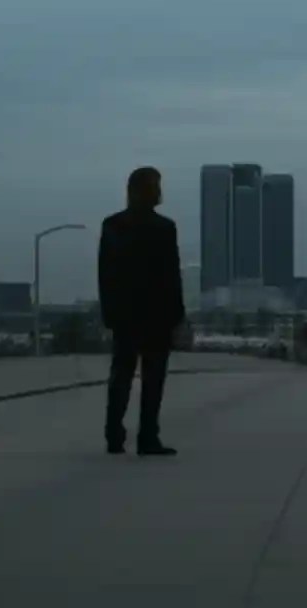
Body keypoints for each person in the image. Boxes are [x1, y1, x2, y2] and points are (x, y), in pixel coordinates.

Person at [99, 166, 185, 456]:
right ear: (146, 191)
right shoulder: (165, 228)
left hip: (125, 316)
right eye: (156, 186)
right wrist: (177, 316)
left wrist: (109, 313)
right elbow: (172, 277)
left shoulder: (112, 225)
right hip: (156, 316)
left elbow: (105, 274)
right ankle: (148, 437)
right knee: (152, 380)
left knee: (120, 376)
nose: (160, 192)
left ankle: (114, 435)